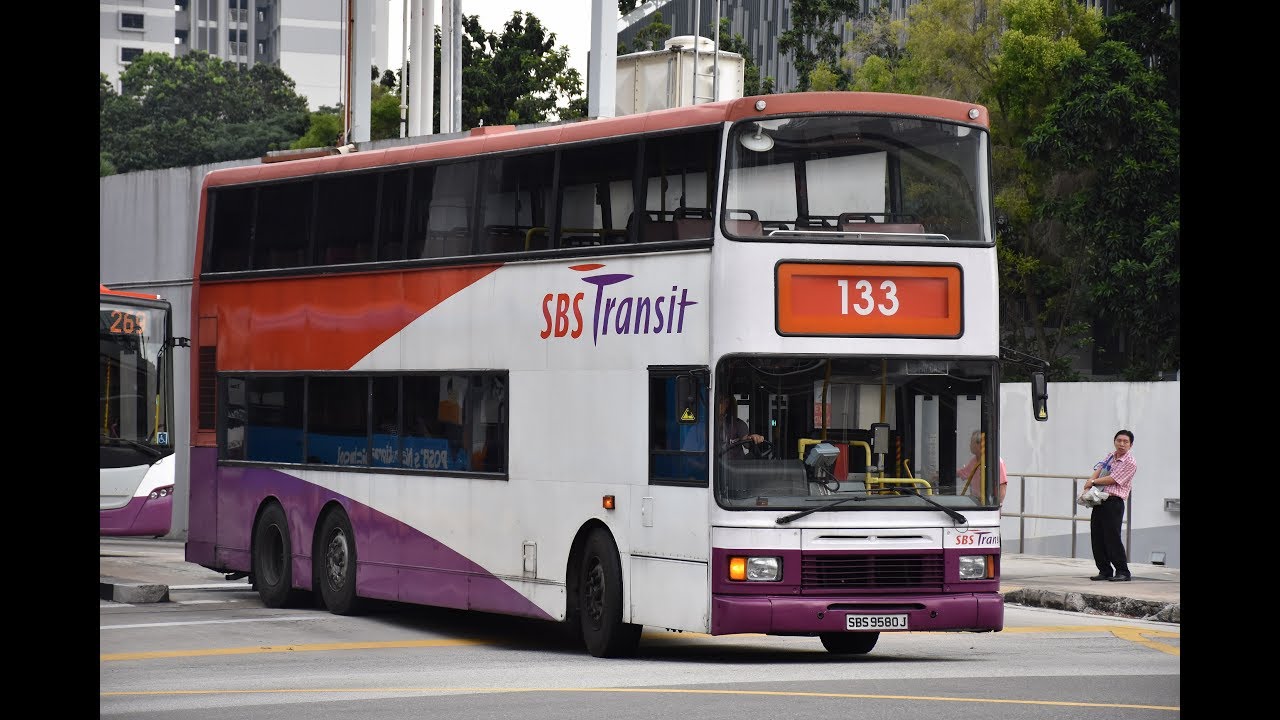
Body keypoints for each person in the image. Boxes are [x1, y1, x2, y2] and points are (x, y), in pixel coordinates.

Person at [1086, 429, 1137, 582]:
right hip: (1099, 499)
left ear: (1131, 445)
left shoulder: (1130, 462)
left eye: (1125, 442)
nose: (1121, 444)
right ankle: (1104, 570)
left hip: (1114, 501)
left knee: (1112, 537)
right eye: (1119, 440)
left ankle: (1122, 571)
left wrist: (1093, 482)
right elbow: (1099, 469)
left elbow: (1113, 479)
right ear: (1114, 441)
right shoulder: (1110, 456)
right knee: (1097, 536)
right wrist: (1089, 482)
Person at [957, 430, 1008, 507]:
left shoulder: (995, 462)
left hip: (988, 505)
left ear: (979, 444)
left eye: (971, 442)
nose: (969, 445)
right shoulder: (974, 461)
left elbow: (1002, 487)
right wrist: (941, 474)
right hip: (975, 503)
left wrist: (995, 506)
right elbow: (963, 473)